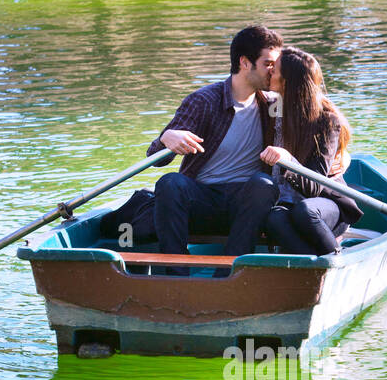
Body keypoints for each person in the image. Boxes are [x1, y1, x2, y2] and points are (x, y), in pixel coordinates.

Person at [141, 25, 283, 263]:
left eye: (276, 65)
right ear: (245, 62)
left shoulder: (274, 105)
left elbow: (314, 115)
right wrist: (166, 139)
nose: (274, 71)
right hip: (202, 199)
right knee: (169, 183)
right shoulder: (203, 101)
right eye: (268, 64)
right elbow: (155, 157)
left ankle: (230, 269)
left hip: (246, 202)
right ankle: (175, 270)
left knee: (264, 184)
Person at [259, 47, 362, 256]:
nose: (270, 72)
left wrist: (287, 160)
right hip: (286, 203)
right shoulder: (271, 110)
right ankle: (312, 272)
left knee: (305, 211)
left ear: (287, 82)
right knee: (273, 219)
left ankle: (335, 261)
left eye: (275, 70)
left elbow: (315, 186)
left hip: (325, 206)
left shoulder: (326, 121)